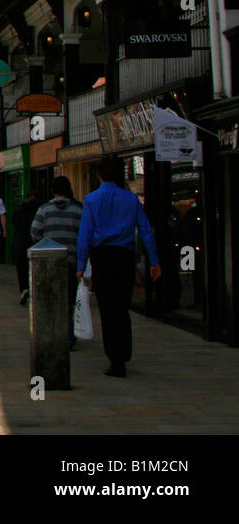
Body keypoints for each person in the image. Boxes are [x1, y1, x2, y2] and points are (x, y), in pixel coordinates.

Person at [77, 158, 162, 378]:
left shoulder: (91, 200)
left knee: (107, 307)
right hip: (125, 257)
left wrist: (80, 265)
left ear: (99, 176)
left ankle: (115, 358)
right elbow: (146, 231)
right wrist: (154, 260)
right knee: (123, 306)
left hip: (102, 257)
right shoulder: (131, 199)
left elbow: (85, 235)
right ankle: (123, 352)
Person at [30, 175, 83, 347]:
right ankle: (69, 336)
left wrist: (47, 243)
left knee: (50, 299)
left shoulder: (44, 209)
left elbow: (35, 232)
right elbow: (83, 235)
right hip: (71, 260)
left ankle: (52, 335)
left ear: (53, 191)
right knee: (69, 301)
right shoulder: (77, 210)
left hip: (49, 261)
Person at [13, 193, 42, 304]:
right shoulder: (40, 209)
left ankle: (24, 289)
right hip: (35, 243)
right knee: (36, 269)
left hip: (21, 243)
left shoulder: (19, 210)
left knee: (22, 268)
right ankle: (34, 290)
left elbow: (14, 221)